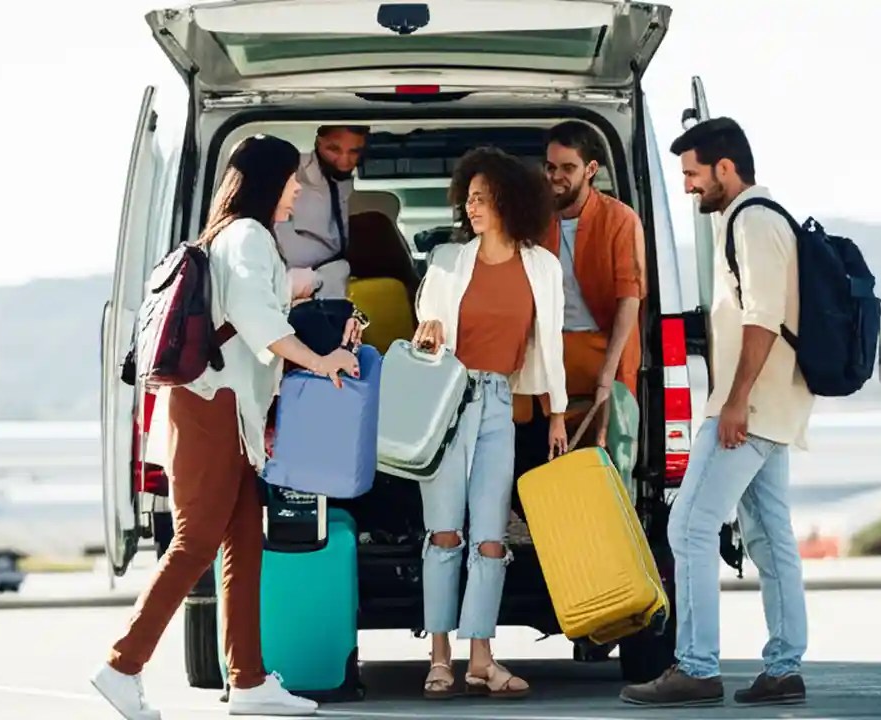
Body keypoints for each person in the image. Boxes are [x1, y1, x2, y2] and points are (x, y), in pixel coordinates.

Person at [91, 133, 361, 720]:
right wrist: (319, 360)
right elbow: (253, 313)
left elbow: (254, 296)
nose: (297, 190)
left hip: (227, 409)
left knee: (243, 540)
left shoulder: (240, 239)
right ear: (271, 181)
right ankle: (121, 665)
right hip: (211, 406)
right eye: (292, 180)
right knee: (195, 543)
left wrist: (301, 283)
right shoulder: (248, 235)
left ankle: (249, 679)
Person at [619, 117, 813, 707]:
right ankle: (784, 668)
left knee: (690, 526)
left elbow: (762, 319)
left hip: (748, 408)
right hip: (772, 406)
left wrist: (733, 401)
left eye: (693, 174)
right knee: (769, 535)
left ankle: (697, 667)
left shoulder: (752, 222)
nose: (686, 187)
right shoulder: (762, 218)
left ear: (725, 168)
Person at [412, 147, 568, 700]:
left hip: (501, 402)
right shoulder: (448, 262)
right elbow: (426, 320)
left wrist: (556, 414)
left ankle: (481, 657)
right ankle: (439, 658)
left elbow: (550, 345)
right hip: (447, 401)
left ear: (508, 200)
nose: (471, 207)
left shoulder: (542, 267)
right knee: (445, 533)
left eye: (481, 198)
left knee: (492, 540)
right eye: (468, 198)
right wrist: (426, 331)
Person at [530, 121, 646, 445]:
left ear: (591, 169)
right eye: (551, 167)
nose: (556, 176)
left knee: (604, 468)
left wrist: (608, 376)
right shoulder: (536, 221)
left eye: (568, 168)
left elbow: (629, 300)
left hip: (604, 356)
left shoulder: (620, 220)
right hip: (550, 360)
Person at [274, 125, 369, 299]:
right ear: (318, 142)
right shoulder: (292, 174)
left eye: (354, 151)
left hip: (333, 278)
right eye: (334, 149)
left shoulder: (343, 183)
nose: (344, 161)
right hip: (293, 283)